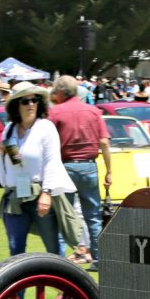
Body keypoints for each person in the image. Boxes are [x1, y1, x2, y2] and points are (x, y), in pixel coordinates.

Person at [0, 82, 76, 274]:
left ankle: (64, 288)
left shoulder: (46, 127)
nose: (31, 104)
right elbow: (4, 165)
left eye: (35, 100)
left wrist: (47, 193)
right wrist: (0, 154)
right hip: (14, 197)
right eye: (25, 101)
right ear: (16, 105)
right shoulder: (9, 129)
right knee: (15, 251)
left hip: (40, 193)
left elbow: (52, 161)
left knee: (53, 249)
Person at [48, 75, 111, 271]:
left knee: (62, 216)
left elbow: (48, 143)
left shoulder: (55, 112)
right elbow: (104, 143)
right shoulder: (93, 111)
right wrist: (109, 171)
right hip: (89, 166)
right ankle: (99, 260)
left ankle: (62, 263)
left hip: (64, 167)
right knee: (93, 216)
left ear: (59, 92)